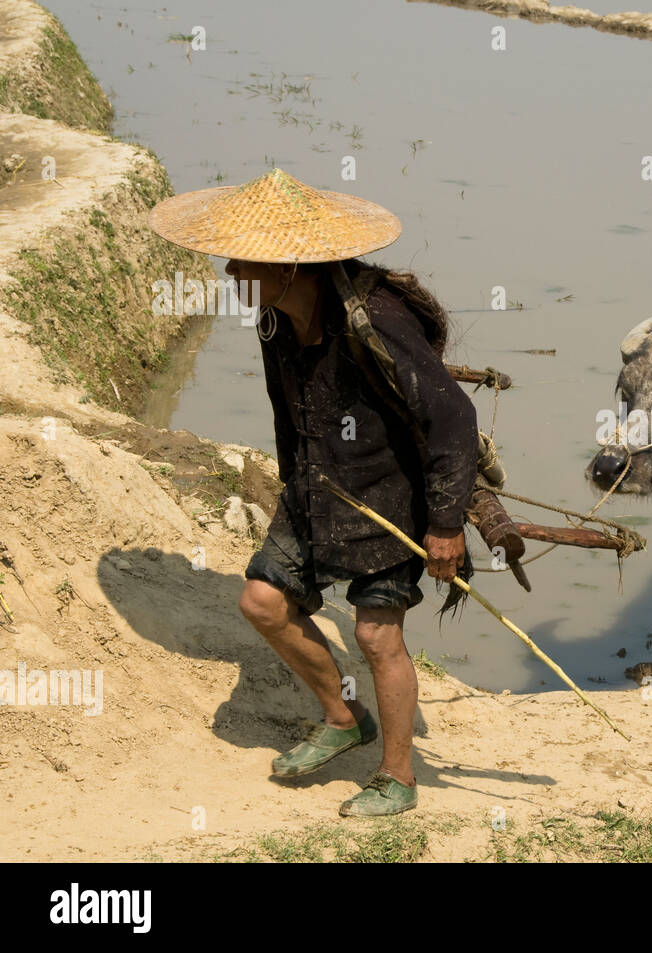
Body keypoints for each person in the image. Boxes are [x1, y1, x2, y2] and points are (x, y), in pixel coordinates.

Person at [149, 168, 478, 816]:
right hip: (317, 488)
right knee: (263, 600)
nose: (231, 272)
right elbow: (287, 417)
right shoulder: (275, 324)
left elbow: (454, 418)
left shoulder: (375, 319)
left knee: (378, 636)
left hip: (388, 496)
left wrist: (444, 524)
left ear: (290, 268)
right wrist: (293, 492)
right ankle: (342, 714)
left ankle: (397, 776)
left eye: (243, 260)